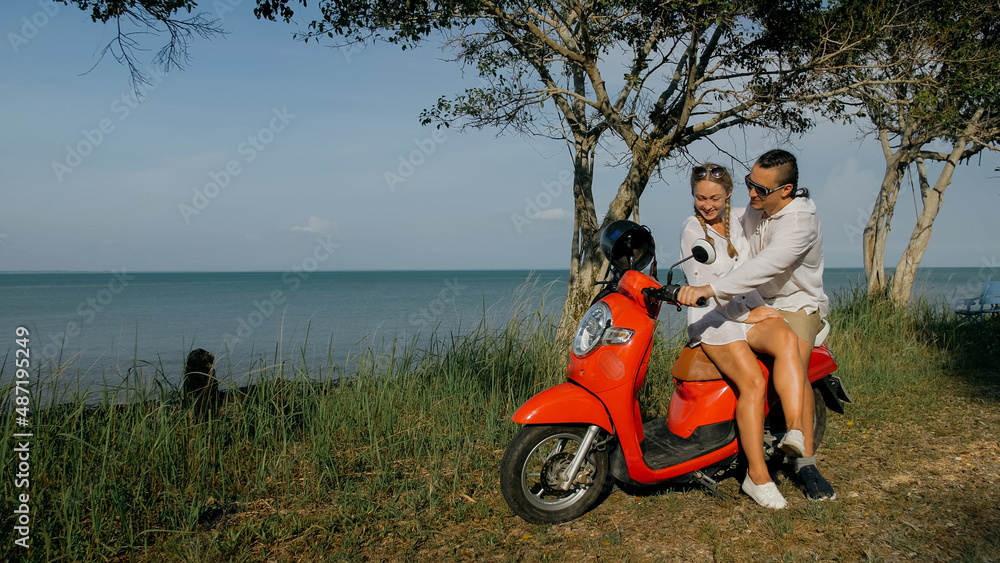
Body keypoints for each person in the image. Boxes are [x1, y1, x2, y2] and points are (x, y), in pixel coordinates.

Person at [678, 149, 836, 501]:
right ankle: (754, 465)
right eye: (750, 184)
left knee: (792, 348)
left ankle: (804, 457)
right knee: (753, 379)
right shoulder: (747, 211)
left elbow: (761, 265)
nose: (753, 195)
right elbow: (715, 259)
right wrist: (741, 307)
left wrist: (724, 296)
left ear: (786, 190)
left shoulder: (798, 224)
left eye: (761, 190)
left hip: (793, 304)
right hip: (743, 307)